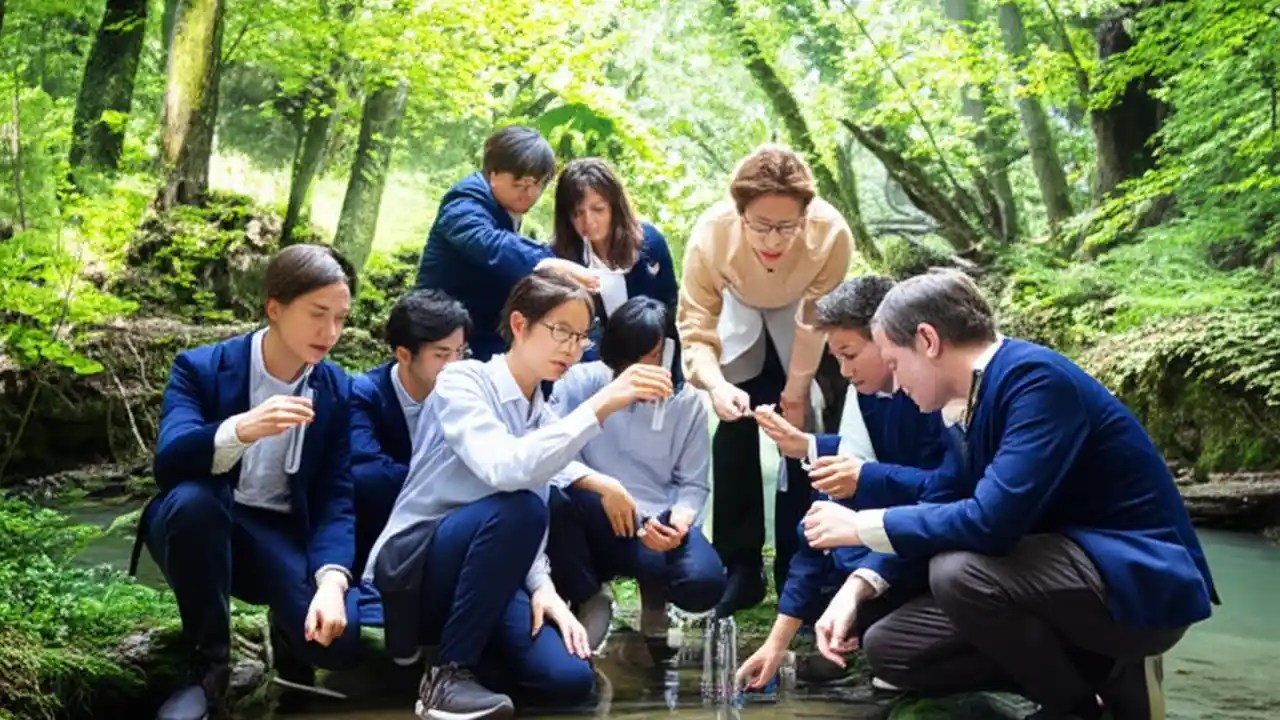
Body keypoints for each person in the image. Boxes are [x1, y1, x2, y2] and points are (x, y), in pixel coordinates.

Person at [801, 271, 1219, 719]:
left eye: (896, 362)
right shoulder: (964, 401)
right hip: (1054, 576)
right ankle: (1099, 677)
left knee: (957, 572)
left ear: (927, 340)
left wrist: (859, 526)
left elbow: (989, 523)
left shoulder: (1036, 382)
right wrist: (855, 589)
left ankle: (1075, 706)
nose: (897, 384)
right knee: (891, 648)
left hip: (1136, 585)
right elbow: (941, 499)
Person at [366, 269, 674, 720]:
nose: (571, 348)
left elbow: (539, 486)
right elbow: (506, 469)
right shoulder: (463, 381)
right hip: (418, 567)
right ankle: (447, 678)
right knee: (522, 507)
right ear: (518, 325)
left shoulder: (541, 416)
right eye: (560, 332)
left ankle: (476, 665)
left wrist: (543, 588)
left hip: (490, 574)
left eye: (581, 337)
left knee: (568, 680)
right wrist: (602, 404)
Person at [137, 245, 363, 720]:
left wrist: (331, 582)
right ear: (275, 308)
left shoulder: (337, 388)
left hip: (276, 531)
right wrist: (240, 429)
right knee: (196, 500)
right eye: (318, 314)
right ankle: (207, 668)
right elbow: (169, 465)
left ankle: (288, 640)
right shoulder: (200, 368)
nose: (331, 332)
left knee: (338, 646)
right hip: (200, 517)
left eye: (341, 318)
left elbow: (334, 498)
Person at [735, 276, 952, 691]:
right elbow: (818, 523)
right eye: (835, 357)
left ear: (888, 339)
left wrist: (862, 475)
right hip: (892, 546)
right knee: (835, 571)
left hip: (943, 551)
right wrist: (775, 644)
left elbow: (950, 492)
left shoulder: (942, 395)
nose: (844, 371)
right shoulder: (864, 397)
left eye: (850, 354)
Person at [676, 144, 855, 616]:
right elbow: (694, 327)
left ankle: (803, 564)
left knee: (804, 439)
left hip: (807, 330)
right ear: (739, 214)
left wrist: (796, 391)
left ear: (805, 214)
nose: (773, 239)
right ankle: (740, 566)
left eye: (786, 226)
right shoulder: (711, 237)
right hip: (738, 324)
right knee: (734, 429)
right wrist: (715, 385)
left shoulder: (831, 234)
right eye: (761, 225)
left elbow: (816, 319)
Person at [546, 296, 724, 654]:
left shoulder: (685, 402)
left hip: (655, 515)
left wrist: (680, 521)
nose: (646, 366)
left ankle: (655, 603)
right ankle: (589, 595)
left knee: (703, 581)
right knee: (553, 503)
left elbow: (692, 481)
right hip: (594, 508)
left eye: (655, 355)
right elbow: (551, 455)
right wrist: (603, 486)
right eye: (636, 357)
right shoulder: (582, 383)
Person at [350, 289, 471, 576]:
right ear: (404, 354)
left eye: (460, 352)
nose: (455, 365)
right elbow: (367, 475)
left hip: (443, 536)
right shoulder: (364, 395)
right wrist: (443, 485)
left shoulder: (465, 394)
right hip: (370, 538)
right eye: (441, 355)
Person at [415, 126, 558, 361]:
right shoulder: (465, 200)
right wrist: (549, 263)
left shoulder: (506, 208)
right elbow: (490, 244)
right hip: (437, 334)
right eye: (520, 184)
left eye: (538, 185)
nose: (529, 193)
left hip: (478, 332)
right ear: (493, 173)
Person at [542, 158, 678, 347]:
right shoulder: (562, 259)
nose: (589, 221)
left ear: (615, 207)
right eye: (577, 213)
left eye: (598, 210)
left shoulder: (649, 245)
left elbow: (670, 308)